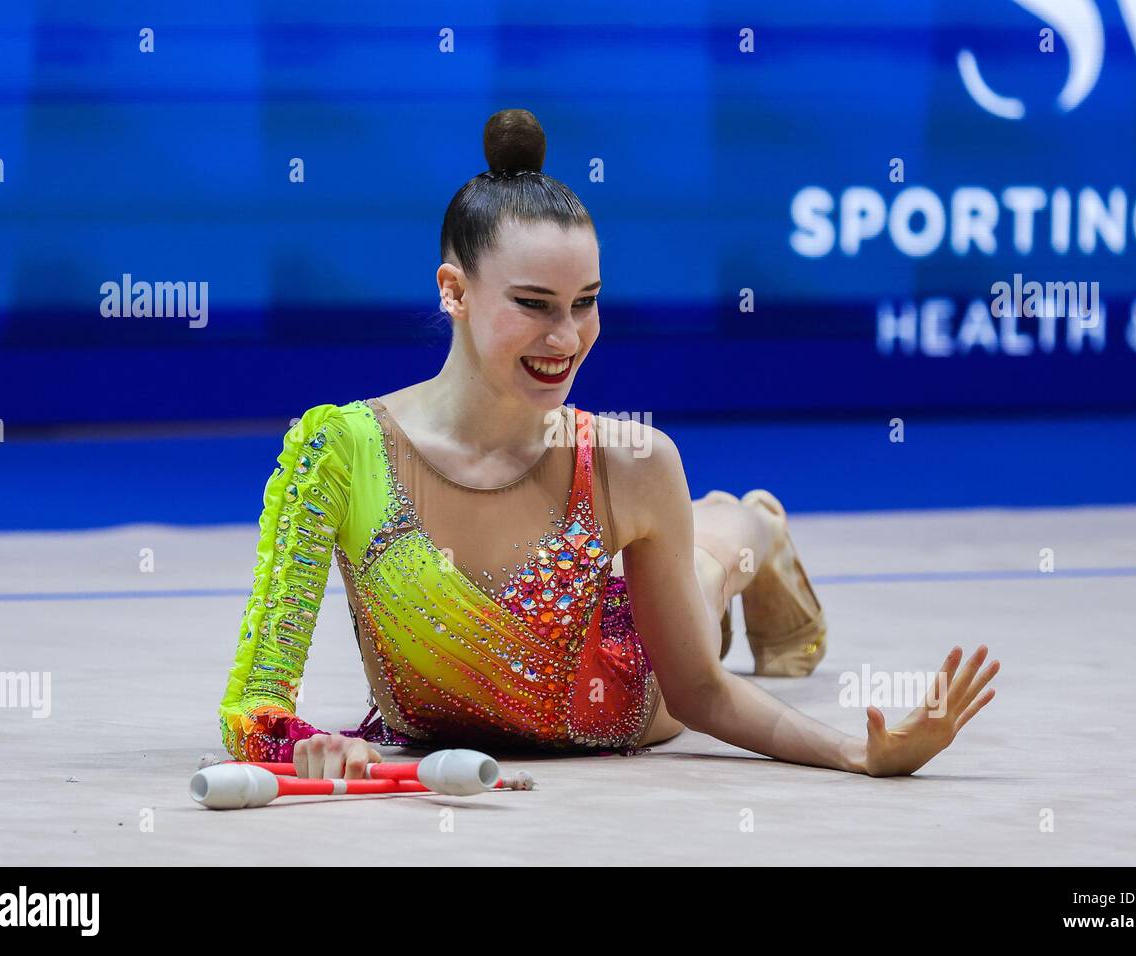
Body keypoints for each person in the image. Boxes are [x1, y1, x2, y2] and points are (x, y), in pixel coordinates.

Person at [217, 108, 998, 779]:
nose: (567, 338)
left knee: (705, 565)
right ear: (453, 290)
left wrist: (860, 756)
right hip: (495, 681)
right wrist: (297, 743)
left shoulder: (630, 461)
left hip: (629, 690)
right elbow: (256, 695)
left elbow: (702, 692)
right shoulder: (340, 450)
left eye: (585, 304)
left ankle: (757, 522)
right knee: (688, 560)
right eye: (534, 305)